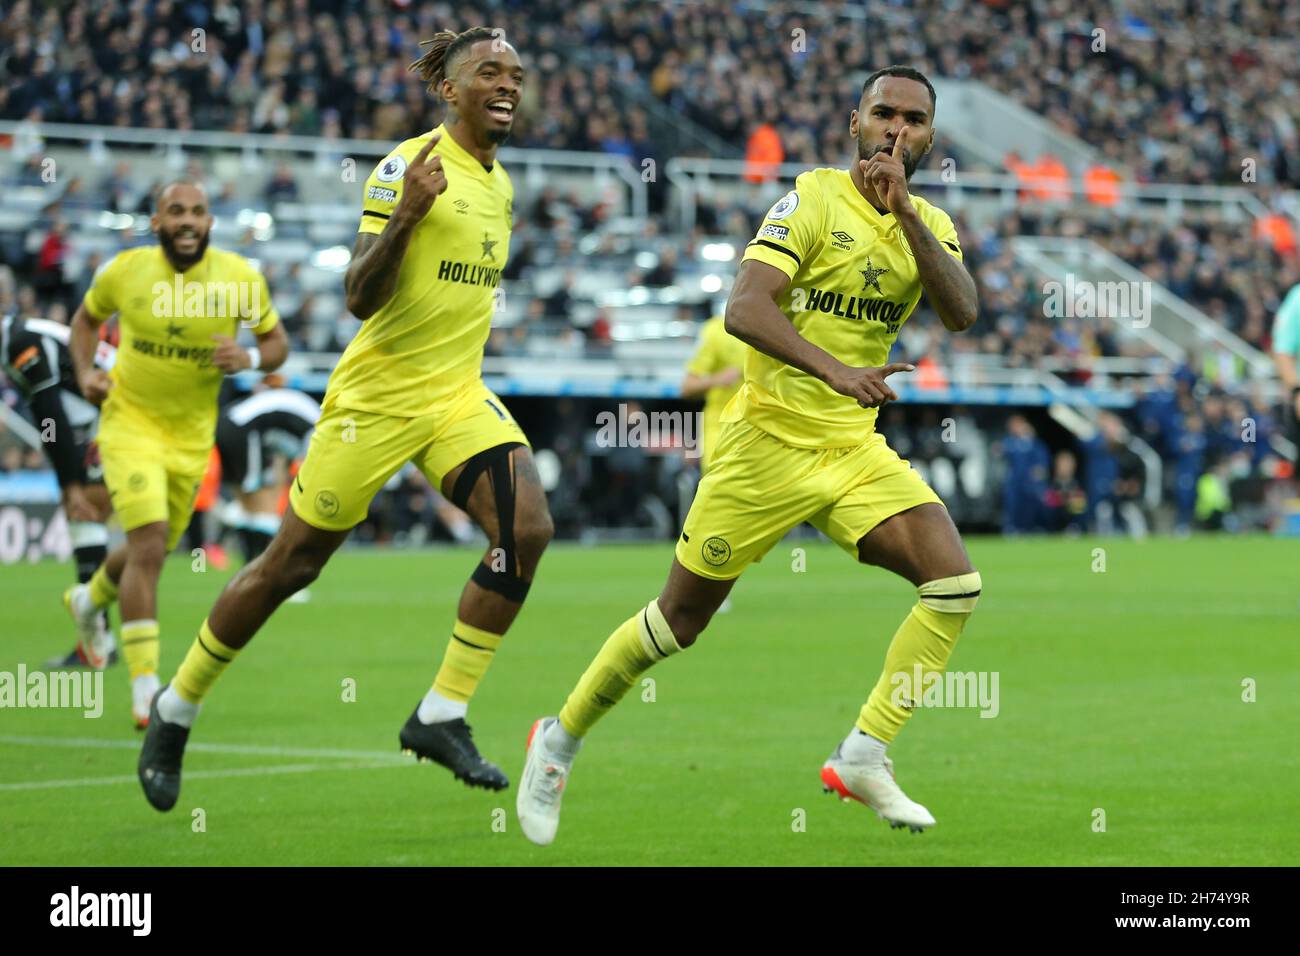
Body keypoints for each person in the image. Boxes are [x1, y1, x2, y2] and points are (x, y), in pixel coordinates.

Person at [516, 66, 981, 845]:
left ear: (931, 137)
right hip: (760, 451)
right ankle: (558, 738)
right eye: (883, 115)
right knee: (678, 621)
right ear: (855, 121)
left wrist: (904, 214)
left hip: (850, 451)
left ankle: (865, 751)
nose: (896, 131)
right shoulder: (809, 200)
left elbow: (962, 312)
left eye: (913, 120)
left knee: (954, 584)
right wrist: (837, 370)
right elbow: (744, 308)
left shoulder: (928, 221)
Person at [138, 27, 553, 812]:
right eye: (489, 71)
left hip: (457, 395)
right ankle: (176, 705)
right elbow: (359, 295)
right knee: (290, 566)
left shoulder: (499, 184)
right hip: (377, 400)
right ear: (450, 88)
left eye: (517, 73)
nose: (508, 84)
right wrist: (405, 216)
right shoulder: (410, 166)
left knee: (527, 527)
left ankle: (441, 713)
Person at [63, 181, 288, 728]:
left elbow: (278, 343)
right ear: (157, 223)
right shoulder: (126, 271)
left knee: (152, 549)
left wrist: (251, 357)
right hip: (129, 424)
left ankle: (90, 600)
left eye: (197, 212)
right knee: (147, 545)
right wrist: (86, 372)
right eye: (175, 212)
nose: (188, 220)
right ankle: (146, 691)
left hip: (191, 440)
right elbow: (85, 322)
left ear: (210, 223)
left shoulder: (239, 277)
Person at [1, 312, 117, 668]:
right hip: (107, 412)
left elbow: (50, 413)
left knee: (87, 508)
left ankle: (100, 639)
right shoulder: (22, 335)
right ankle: (100, 639)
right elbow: (49, 418)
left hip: (118, 412)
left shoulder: (22, 344)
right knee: (87, 517)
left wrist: (70, 485)